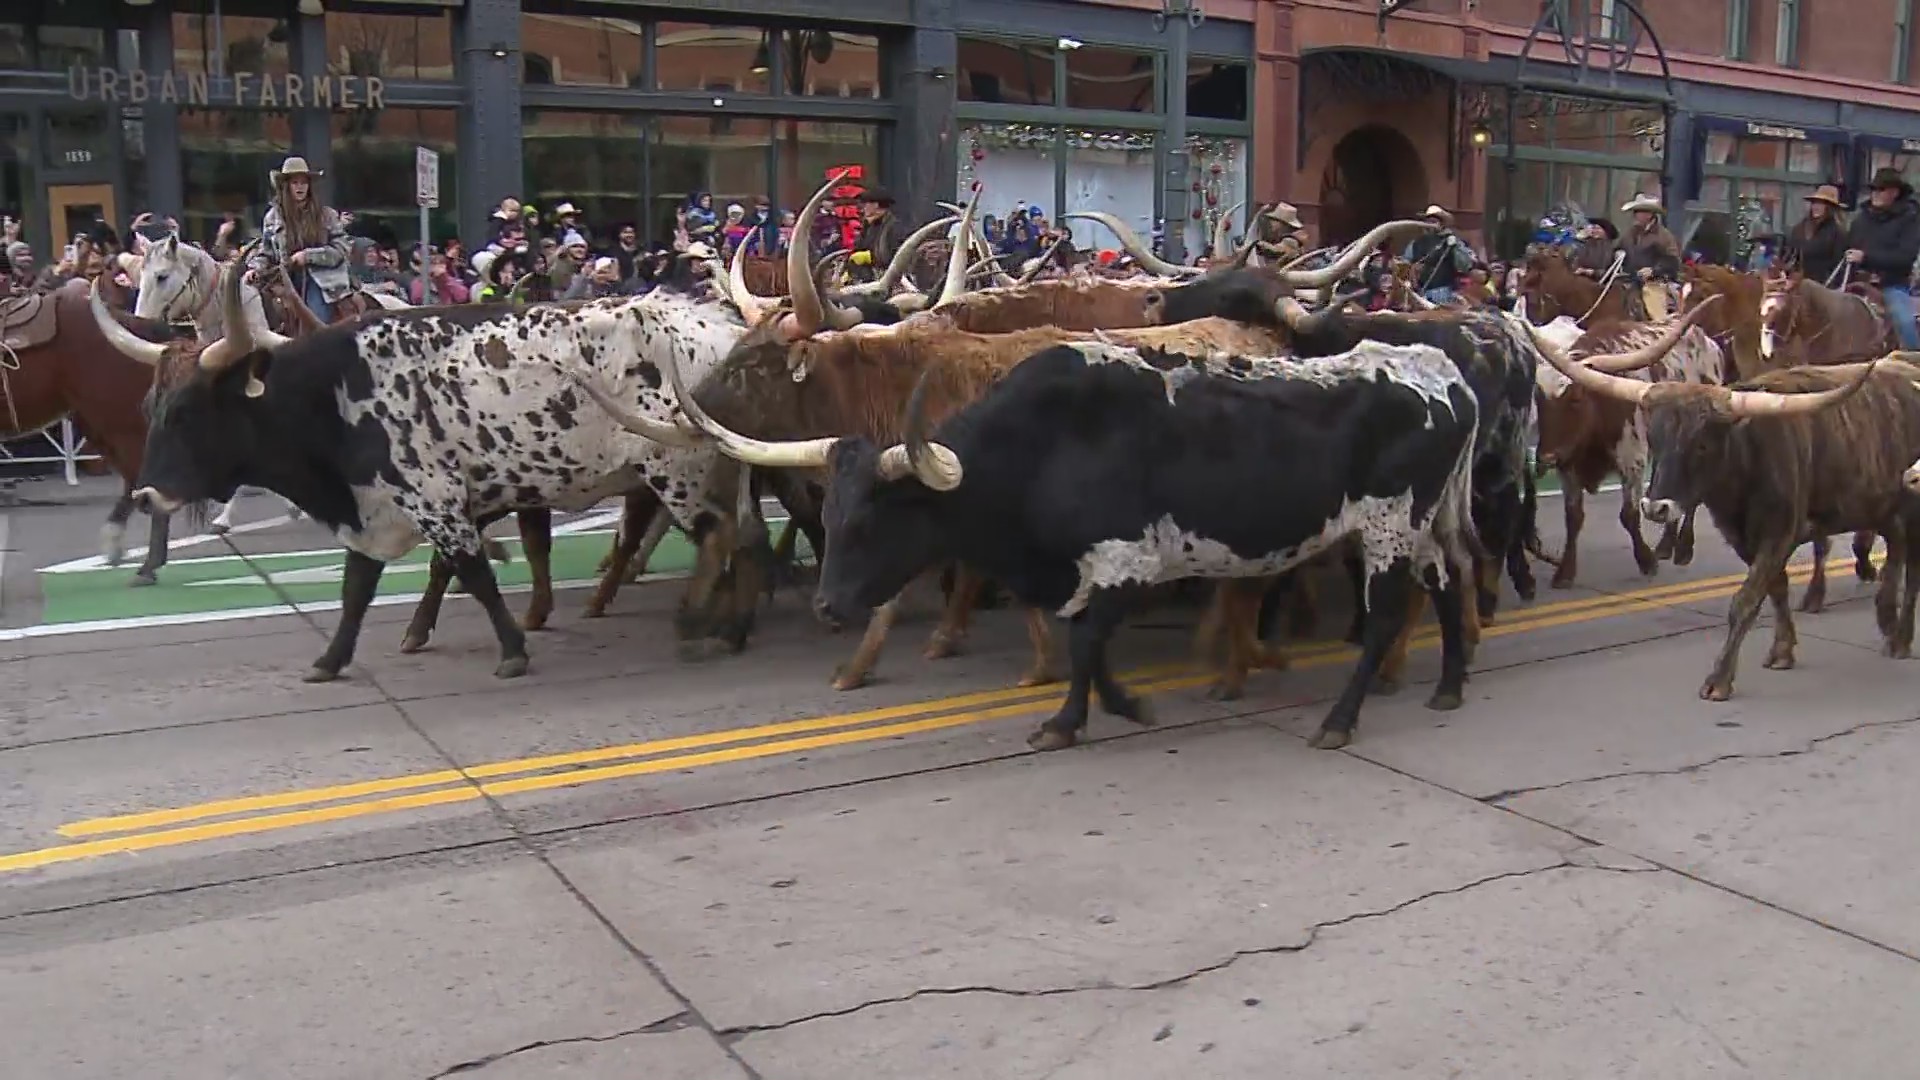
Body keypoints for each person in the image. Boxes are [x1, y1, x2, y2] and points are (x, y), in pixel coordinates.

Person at [247, 155, 353, 322]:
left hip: (322, 281)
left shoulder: (326, 215)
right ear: (285, 186)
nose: (300, 187)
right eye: (295, 183)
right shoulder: (272, 217)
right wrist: (255, 269)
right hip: (284, 279)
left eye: (304, 183)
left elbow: (342, 249)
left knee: (314, 319)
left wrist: (308, 256)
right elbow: (266, 252)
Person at [1845, 167, 1920, 350]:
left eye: (1881, 189)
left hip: (1891, 285)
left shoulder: (1910, 219)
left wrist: (1866, 258)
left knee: (1904, 321)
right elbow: (1847, 247)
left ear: (1894, 192)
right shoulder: (1860, 219)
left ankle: (1914, 364)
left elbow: (1905, 258)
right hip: (1857, 283)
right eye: (1873, 189)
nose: (1875, 194)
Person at [1619, 193, 1681, 320]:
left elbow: (1672, 261)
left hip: (1654, 282)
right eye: (1635, 211)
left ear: (1649, 214)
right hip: (1629, 280)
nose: (1635, 215)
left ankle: (1661, 331)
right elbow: (1619, 248)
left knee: (1656, 312)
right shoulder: (1630, 233)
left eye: (1639, 211)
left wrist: (1653, 271)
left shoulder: (1664, 236)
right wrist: (1617, 254)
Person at [1403, 204, 1473, 304]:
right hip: (1419, 294)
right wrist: (1412, 274)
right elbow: (1404, 266)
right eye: (1428, 221)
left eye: (1434, 221)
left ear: (1441, 223)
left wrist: (1455, 246)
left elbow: (1465, 266)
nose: (1430, 224)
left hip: (1443, 292)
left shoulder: (1450, 241)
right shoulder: (1415, 244)